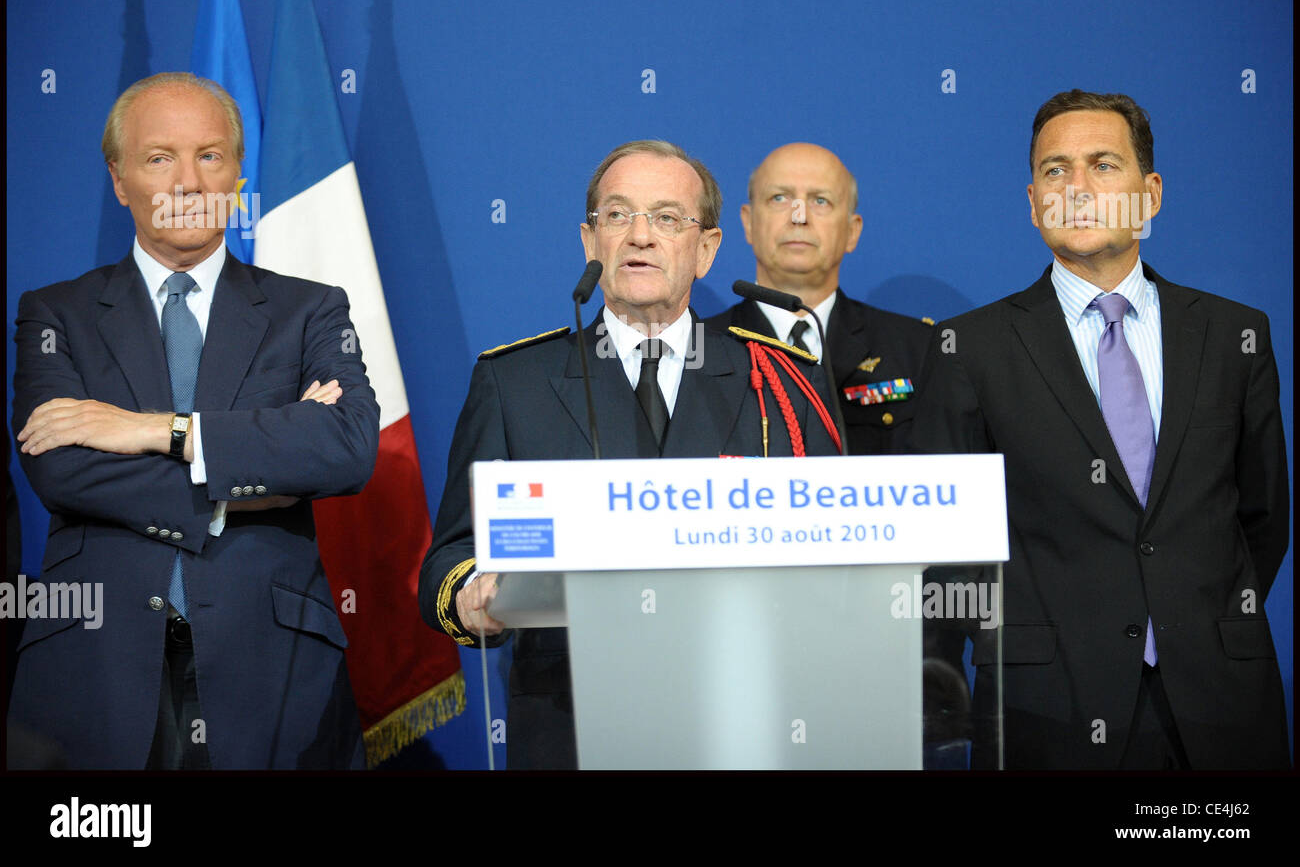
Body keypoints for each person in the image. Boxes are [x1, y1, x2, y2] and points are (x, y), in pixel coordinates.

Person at [418, 139, 839, 769]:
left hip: (742, 721)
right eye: (618, 216)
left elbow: (834, 547)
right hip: (572, 725)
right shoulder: (514, 384)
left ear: (706, 249)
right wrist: (472, 594)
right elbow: (450, 557)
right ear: (590, 241)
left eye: (667, 218)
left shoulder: (776, 378)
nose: (640, 236)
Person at [909, 89, 1289, 769]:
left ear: (1151, 193)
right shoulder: (968, 349)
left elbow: (1261, 517)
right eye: (1055, 171)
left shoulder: (1236, 335)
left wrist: (1191, 616)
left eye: (1102, 165)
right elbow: (943, 553)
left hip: (1220, 703)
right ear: (1032, 203)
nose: (1076, 188)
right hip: (1046, 707)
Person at [8, 72, 379, 769]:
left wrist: (156, 430)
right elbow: (62, 467)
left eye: (209, 156)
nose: (187, 181)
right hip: (95, 664)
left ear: (238, 172)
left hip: (274, 670)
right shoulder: (55, 313)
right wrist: (255, 476)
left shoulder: (310, 310)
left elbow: (346, 447)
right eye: (159, 158)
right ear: (120, 180)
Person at [706, 143, 933, 455]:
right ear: (748, 223)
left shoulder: (918, 350)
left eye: (821, 201)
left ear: (852, 231)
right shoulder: (702, 349)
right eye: (779, 198)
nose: (799, 218)